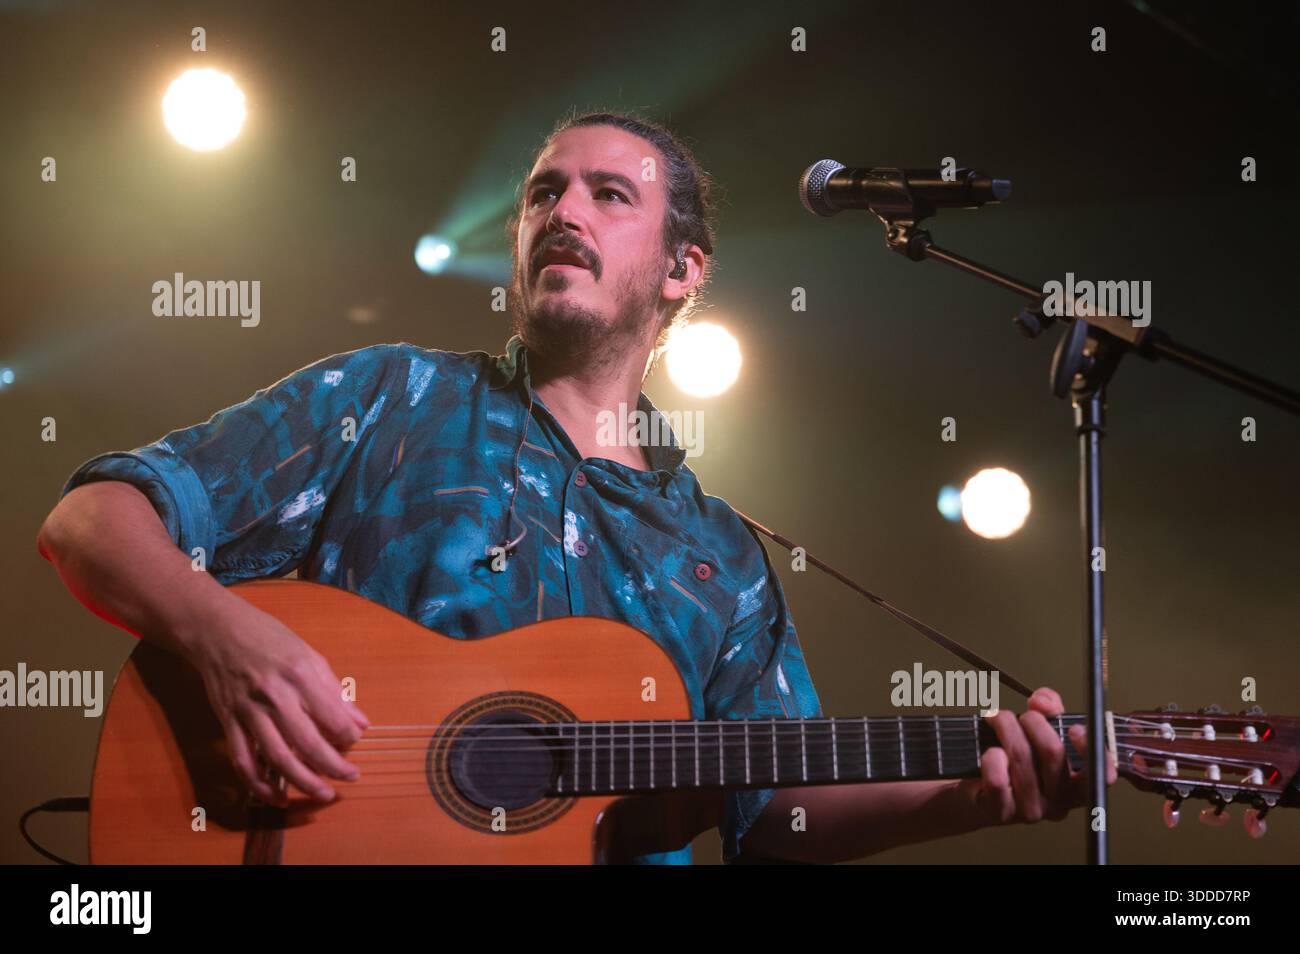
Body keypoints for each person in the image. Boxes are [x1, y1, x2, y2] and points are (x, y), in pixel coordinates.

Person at [37, 109, 1112, 864]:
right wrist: (230, 642)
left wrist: (972, 797)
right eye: (543, 191)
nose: (564, 211)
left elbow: (776, 822)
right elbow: (93, 520)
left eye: (609, 194)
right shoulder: (392, 394)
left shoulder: (724, 560)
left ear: (683, 269)